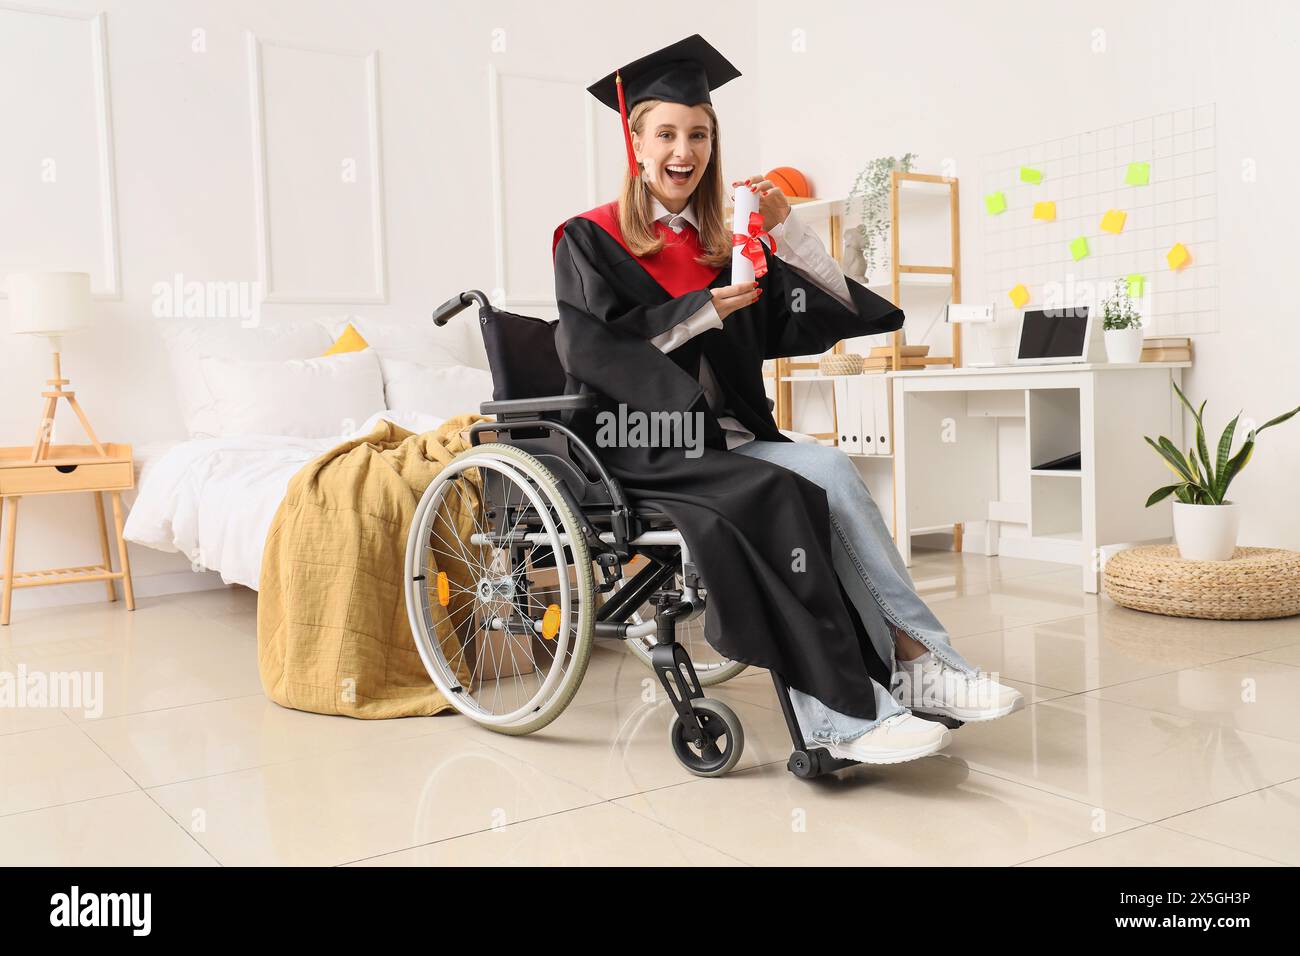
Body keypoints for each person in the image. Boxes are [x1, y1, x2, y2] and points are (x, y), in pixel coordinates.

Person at [552, 35, 1021, 766]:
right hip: (643, 441)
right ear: (635, 143)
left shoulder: (725, 245)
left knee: (830, 469)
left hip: (731, 440)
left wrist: (788, 229)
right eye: (667, 133)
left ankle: (924, 661)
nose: (686, 150)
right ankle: (844, 716)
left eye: (699, 134)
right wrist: (702, 311)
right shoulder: (589, 240)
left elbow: (817, 311)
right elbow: (590, 350)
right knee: (778, 491)